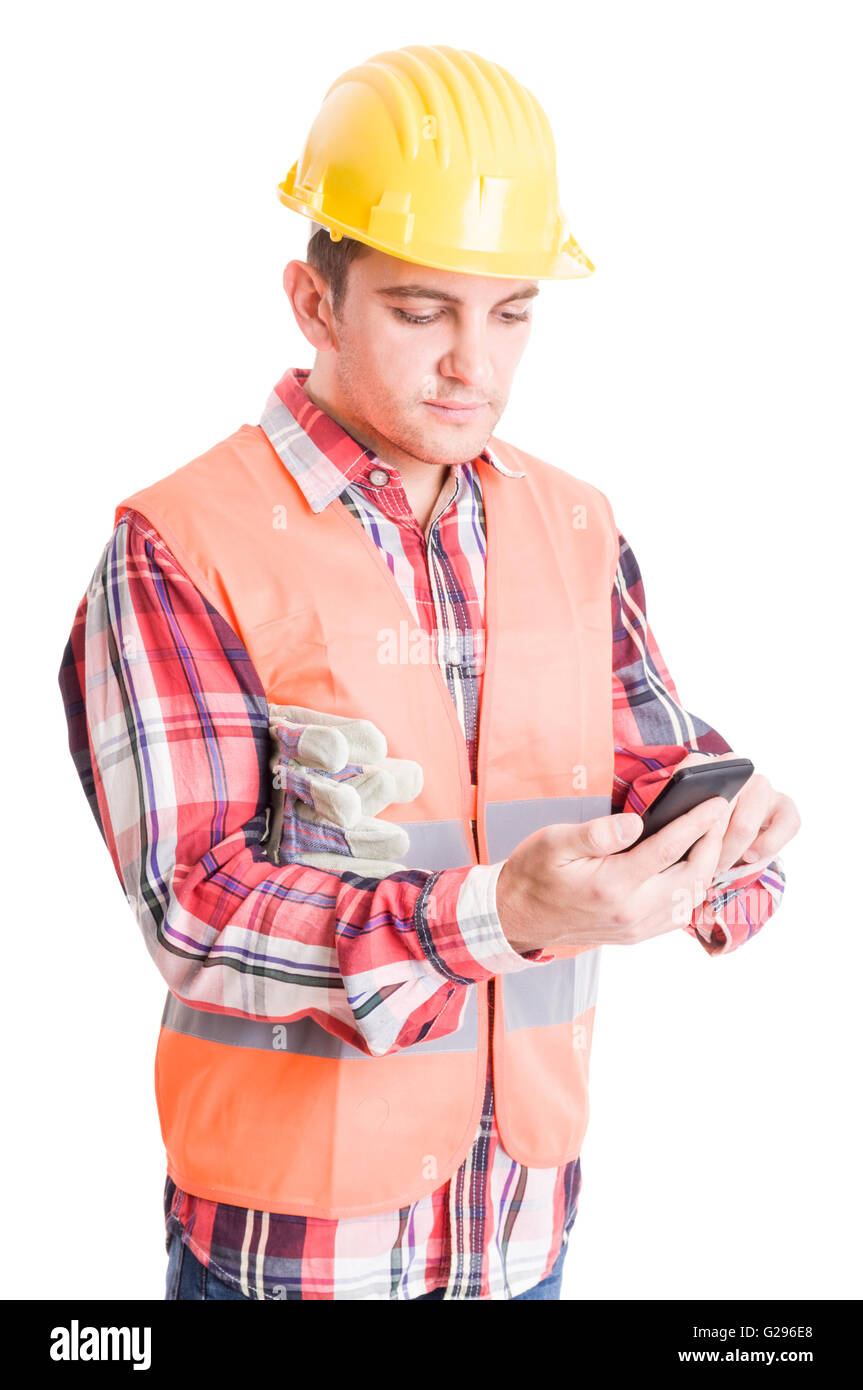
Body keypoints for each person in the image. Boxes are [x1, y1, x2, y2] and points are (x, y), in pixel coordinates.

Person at [58, 43, 800, 1301]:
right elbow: (195, 905)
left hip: (520, 1234)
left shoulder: (572, 523)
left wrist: (727, 846)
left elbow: (653, 763)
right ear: (312, 302)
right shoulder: (180, 542)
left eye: (511, 314)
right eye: (420, 311)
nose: (476, 365)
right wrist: (496, 916)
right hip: (291, 1255)